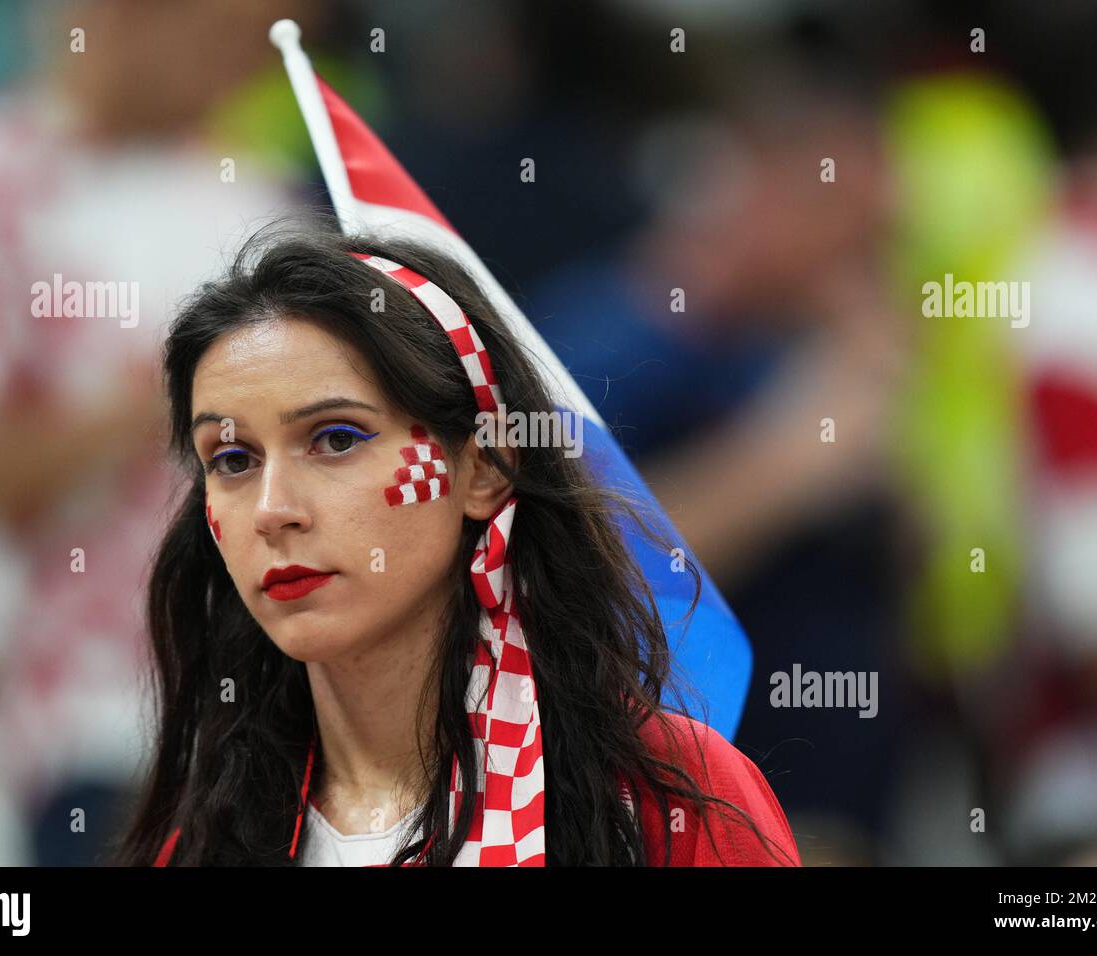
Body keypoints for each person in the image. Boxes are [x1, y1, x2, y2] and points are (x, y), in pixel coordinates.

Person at [114, 216, 800, 866]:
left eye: (335, 439)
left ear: (485, 468)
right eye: (232, 459)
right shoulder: (200, 844)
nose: (273, 511)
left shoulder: (670, 801)